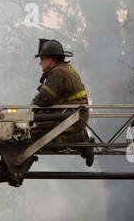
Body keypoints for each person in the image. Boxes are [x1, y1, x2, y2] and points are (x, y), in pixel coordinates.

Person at [31, 38, 93, 166]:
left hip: (71, 118)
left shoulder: (57, 73)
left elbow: (44, 99)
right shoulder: (65, 69)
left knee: (37, 139)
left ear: (51, 59)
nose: (40, 64)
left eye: (42, 59)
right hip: (73, 116)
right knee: (37, 135)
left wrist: (32, 107)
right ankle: (81, 142)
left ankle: (80, 139)